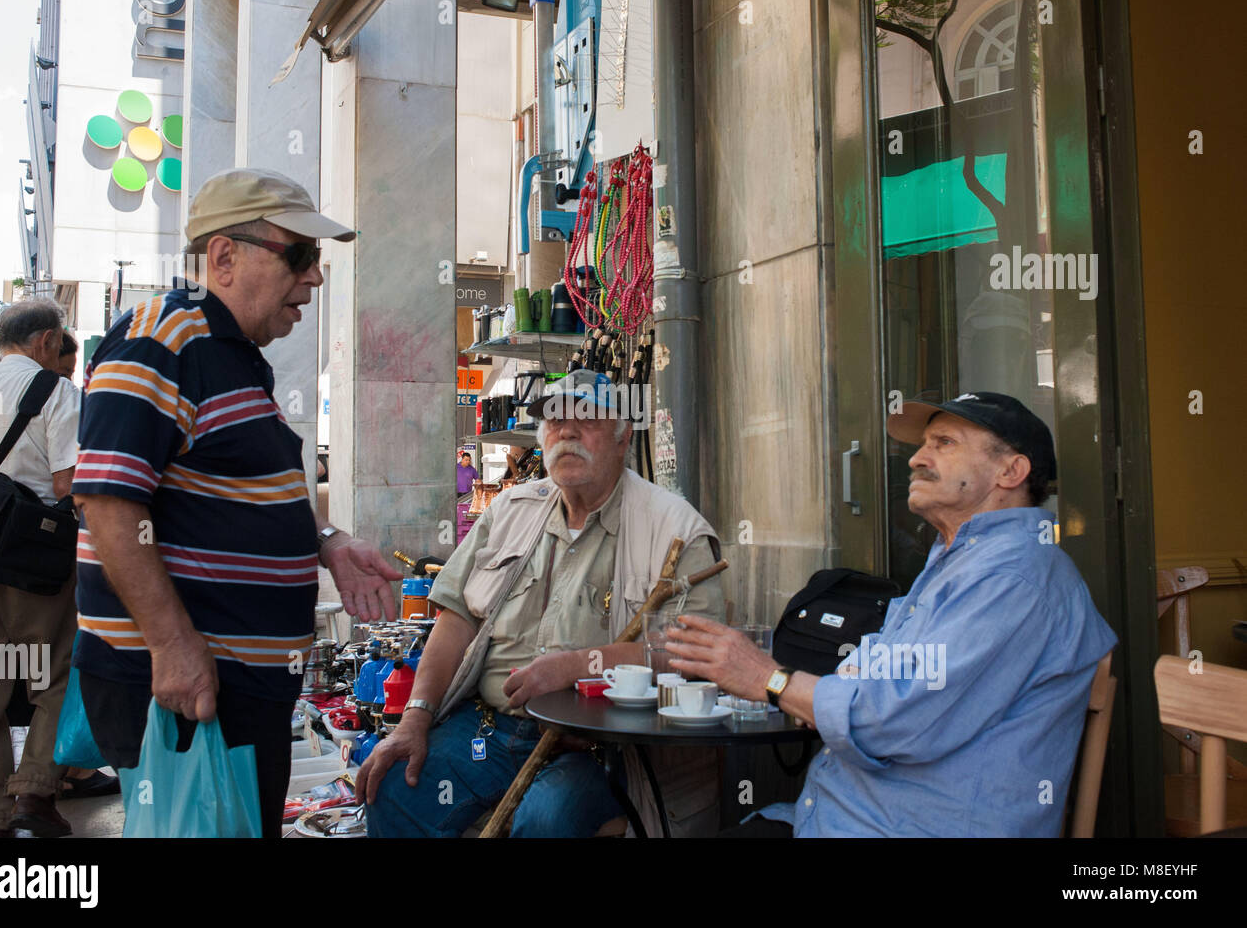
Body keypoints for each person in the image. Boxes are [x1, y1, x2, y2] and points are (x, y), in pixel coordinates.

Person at [71, 168, 404, 838]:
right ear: (223, 256)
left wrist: (329, 541)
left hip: (230, 686)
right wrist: (172, 644)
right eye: (301, 255)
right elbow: (109, 503)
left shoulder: (230, 353)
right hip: (187, 687)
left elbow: (248, 488)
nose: (314, 278)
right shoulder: (159, 338)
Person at [668, 392, 1117, 837]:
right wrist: (820, 693)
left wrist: (770, 679)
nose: (916, 459)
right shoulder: (961, 561)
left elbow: (890, 719)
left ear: (1011, 471)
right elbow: (867, 675)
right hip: (836, 819)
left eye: (944, 443)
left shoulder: (1012, 579)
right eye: (923, 444)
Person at [357, 370, 726, 837]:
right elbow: (455, 622)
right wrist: (415, 717)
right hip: (488, 730)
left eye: (586, 418)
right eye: (553, 420)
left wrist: (576, 667)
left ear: (622, 435)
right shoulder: (510, 511)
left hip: (594, 747)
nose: (566, 431)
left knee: (547, 818)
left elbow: (692, 654)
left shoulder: (675, 530)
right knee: (392, 787)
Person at [0, 299, 81, 837]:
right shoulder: (57, 391)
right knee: (58, 673)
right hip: (32, 548)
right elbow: (70, 482)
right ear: (47, 341)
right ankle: (33, 794)